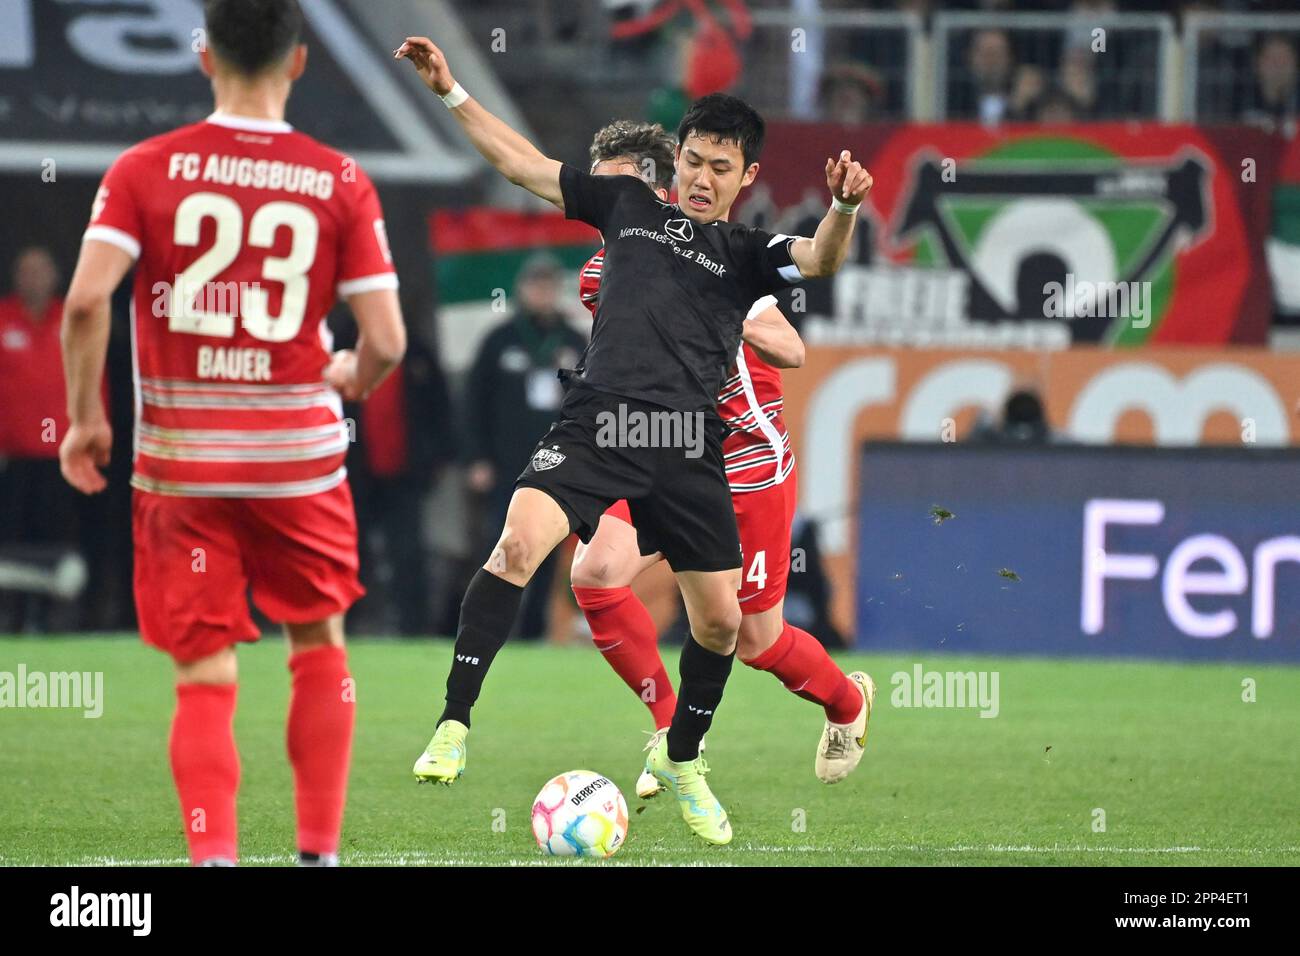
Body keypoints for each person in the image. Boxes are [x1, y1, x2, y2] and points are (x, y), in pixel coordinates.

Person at [397, 35, 871, 845]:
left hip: (704, 449)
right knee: (542, 555)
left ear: (745, 178)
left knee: (733, 631)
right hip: (604, 428)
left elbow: (820, 265)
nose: (701, 178)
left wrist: (845, 208)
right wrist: (449, 93)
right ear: (673, 162)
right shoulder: (624, 220)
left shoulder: (743, 257)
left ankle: (741, 738)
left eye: (721, 168)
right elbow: (521, 165)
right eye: (693, 161)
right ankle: (458, 724)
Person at [58, 0, 406, 867]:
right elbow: (389, 341)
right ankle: (318, 854)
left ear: (203, 54)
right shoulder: (340, 179)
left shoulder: (146, 168)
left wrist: (87, 419)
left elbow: (85, 301)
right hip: (298, 463)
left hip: (181, 468)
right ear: (297, 64)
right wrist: (355, 378)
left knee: (203, 673)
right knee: (319, 642)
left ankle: (214, 862)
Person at [569, 120, 877, 796]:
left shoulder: (713, 254)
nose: (602, 200)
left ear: (656, 188)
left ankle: (847, 704)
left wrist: (719, 313)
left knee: (756, 640)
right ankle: (670, 730)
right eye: (597, 188)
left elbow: (792, 350)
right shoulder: (602, 271)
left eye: (617, 187)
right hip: (663, 452)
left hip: (744, 466)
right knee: (594, 574)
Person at [462, 253, 586, 640]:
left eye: (550, 286)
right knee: (501, 548)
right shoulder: (499, 341)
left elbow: (592, 405)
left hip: (555, 466)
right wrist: (477, 458)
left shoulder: (573, 340)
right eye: (536, 285)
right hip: (506, 466)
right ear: (522, 289)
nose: (543, 293)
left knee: (546, 554)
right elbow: (472, 403)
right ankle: (486, 628)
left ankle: (532, 635)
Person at [0, 247, 81, 632]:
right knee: (13, 537)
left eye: (40, 271)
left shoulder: (72, 320)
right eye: (26, 271)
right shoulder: (3, 320)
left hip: (62, 455)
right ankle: (12, 616)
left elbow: (91, 381)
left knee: (57, 537)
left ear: (54, 276)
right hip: (13, 456)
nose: (33, 279)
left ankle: (53, 618)